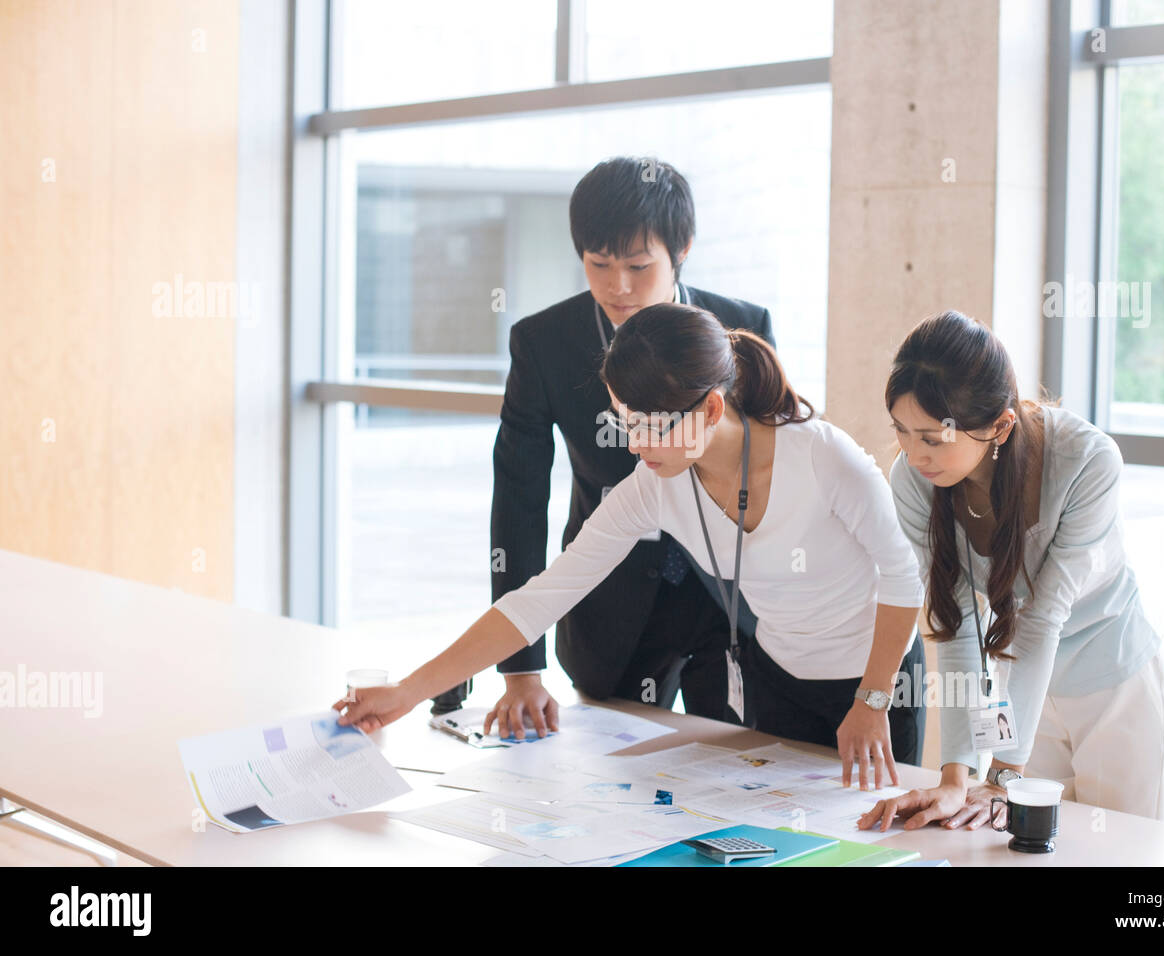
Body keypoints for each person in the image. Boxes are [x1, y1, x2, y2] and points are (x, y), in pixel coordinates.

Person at [335, 304, 927, 788]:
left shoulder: (824, 457)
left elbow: (903, 577)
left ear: (711, 407)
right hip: (779, 677)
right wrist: (410, 692)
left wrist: (872, 702)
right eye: (626, 423)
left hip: (877, 678)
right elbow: (541, 598)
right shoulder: (655, 484)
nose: (637, 445)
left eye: (650, 426)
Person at [484, 156, 777, 738]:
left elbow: (773, 464)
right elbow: (519, 498)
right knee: (611, 779)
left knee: (735, 768)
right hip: (608, 599)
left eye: (639, 266)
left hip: (726, 599)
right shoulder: (545, 342)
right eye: (599, 264)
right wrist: (520, 665)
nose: (617, 286)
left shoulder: (742, 328)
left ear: (683, 248)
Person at [859, 310, 1164, 834]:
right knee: (1022, 848)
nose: (914, 455)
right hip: (1023, 690)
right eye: (902, 432)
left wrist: (1005, 775)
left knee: (1121, 851)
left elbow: (1043, 615)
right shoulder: (914, 479)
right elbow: (956, 624)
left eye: (933, 438)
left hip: (1117, 689)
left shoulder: (1087, 460)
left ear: (1000, 426)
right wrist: (955, 775)